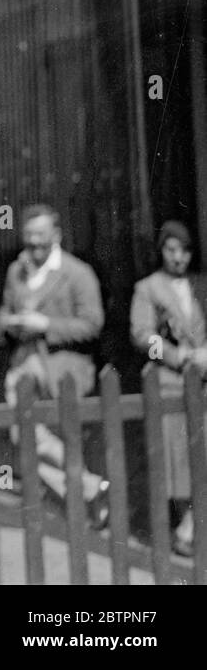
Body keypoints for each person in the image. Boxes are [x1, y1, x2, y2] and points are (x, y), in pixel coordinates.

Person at [0, 204, 109, 528]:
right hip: (23, 367)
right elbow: (4, 311)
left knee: (62, 438)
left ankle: (78, 512)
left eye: (41, 236)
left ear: (57, 235)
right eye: (29, 236)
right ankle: (91, 490)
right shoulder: (17, 271)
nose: (34, 243)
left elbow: (92, 324)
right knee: (23, 434)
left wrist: (45, 325)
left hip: (62, 370)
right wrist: (11, 323)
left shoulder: (77, 272)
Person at [130, 220, 207, 557]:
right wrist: (178, 356)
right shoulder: (148, 288)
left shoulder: (201, 285)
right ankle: (186, 522)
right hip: (170, 381)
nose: (178, 258)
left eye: (184, 251)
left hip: (204, 378)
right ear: (161, 251)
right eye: (172, 250)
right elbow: (142, 336)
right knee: (178, 454)